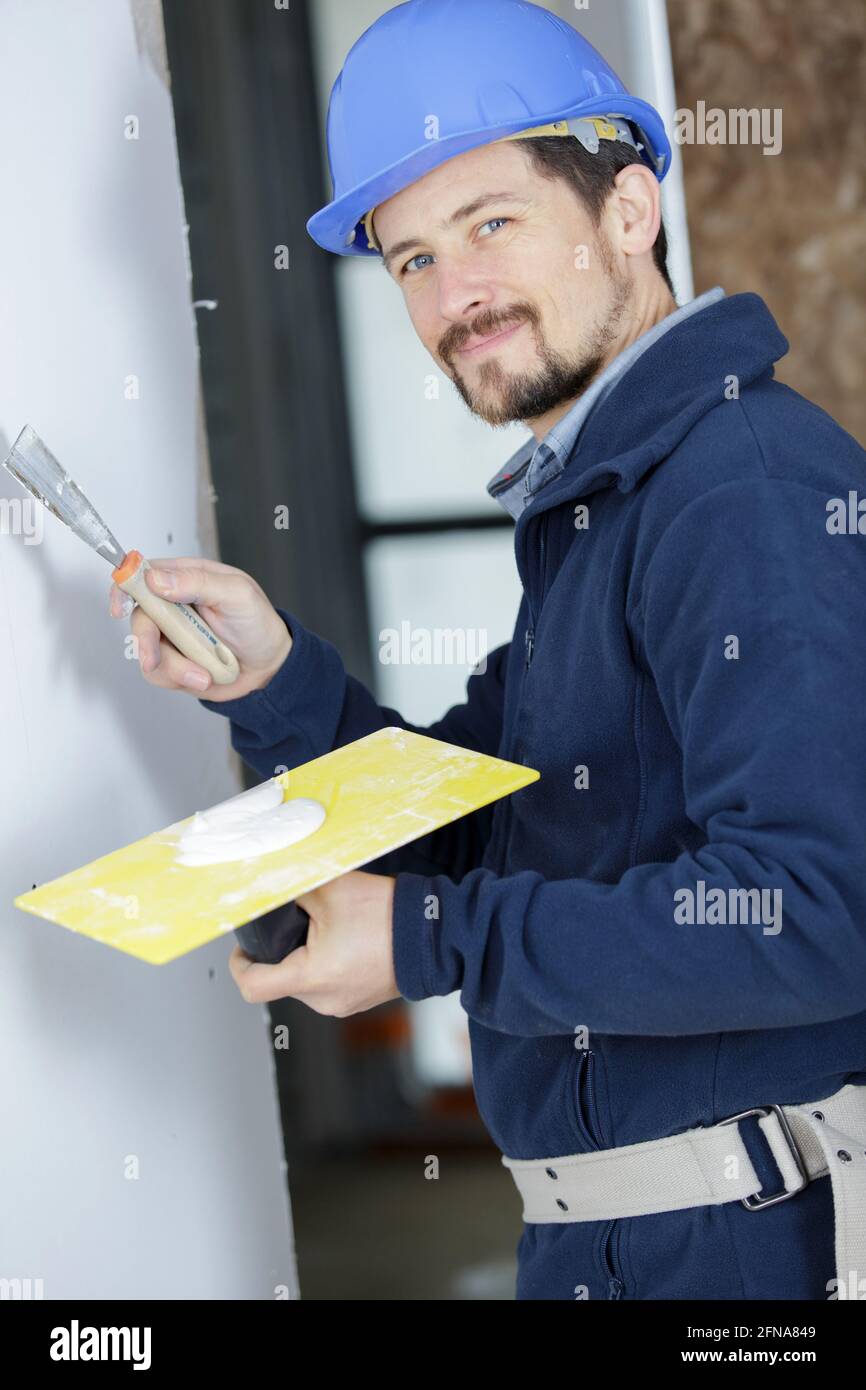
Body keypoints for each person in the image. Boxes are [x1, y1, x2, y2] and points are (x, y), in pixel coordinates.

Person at [110, 0, 866, 1301]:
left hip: (750, 1254)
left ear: (628, 211)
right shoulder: (603, 506)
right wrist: (279, 681)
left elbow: (819, 912)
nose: (453, 296)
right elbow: (478, 819)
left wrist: (433, 938)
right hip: (607, 1246)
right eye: (409, 260)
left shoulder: (739, 486)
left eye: (490, 225)